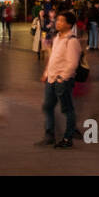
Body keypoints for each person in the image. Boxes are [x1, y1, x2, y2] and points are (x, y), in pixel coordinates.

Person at [38, 11, 82, 148]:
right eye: (58, 20)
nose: (58, 23)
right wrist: (46, 73)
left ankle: (68, 138)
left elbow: (72, 63)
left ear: (69, 24)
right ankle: (49, 133)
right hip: (51, 78)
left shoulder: (72, 41)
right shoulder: (57, 38)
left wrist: (62, 78)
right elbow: (53, 59)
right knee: (47, 106)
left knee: (67, 109)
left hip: (61, 80)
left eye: (62, 21)